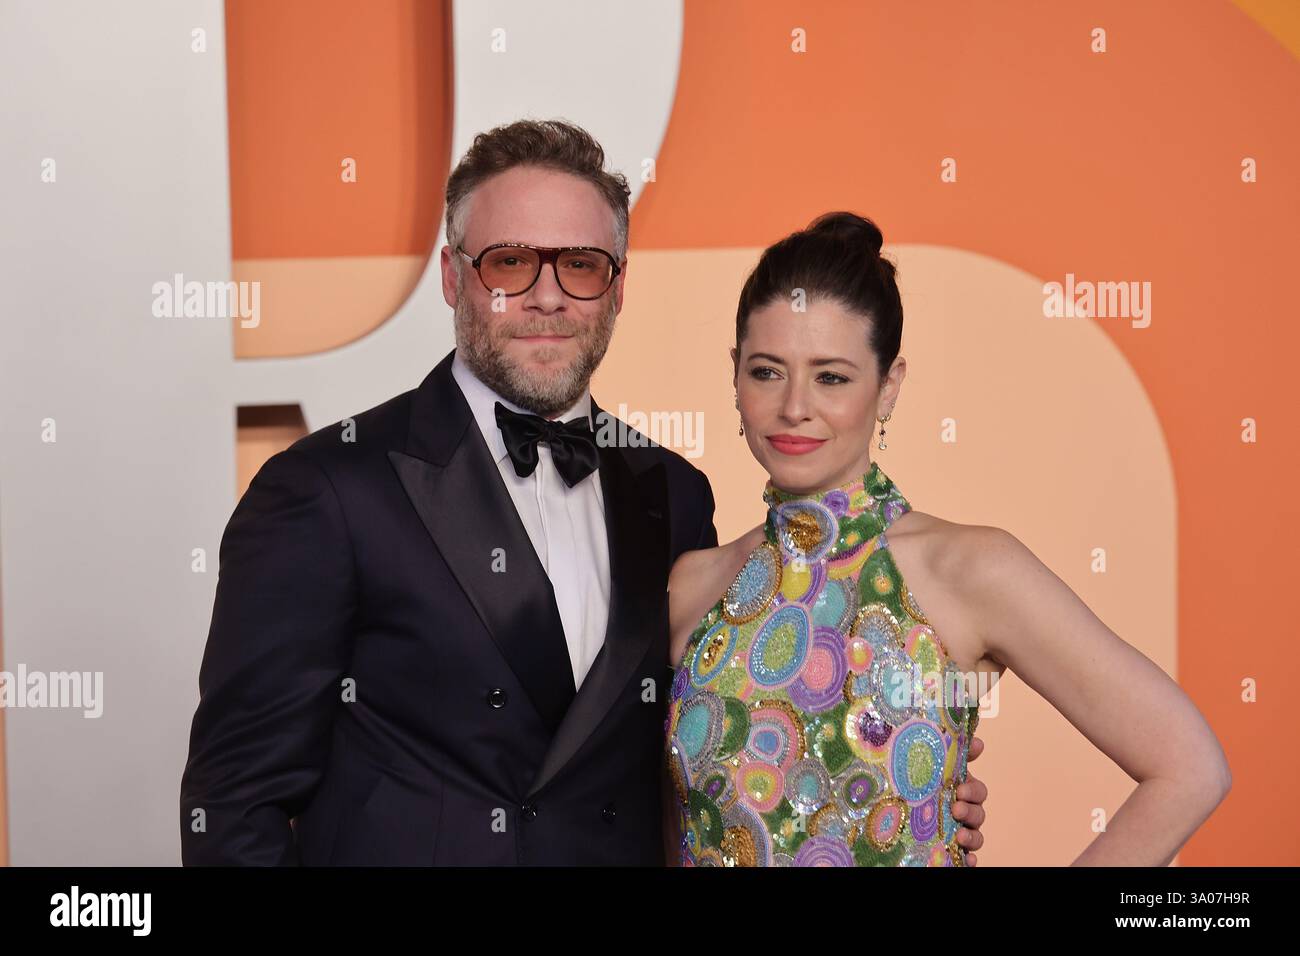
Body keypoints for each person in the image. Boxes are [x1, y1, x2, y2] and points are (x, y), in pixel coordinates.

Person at [179, 120, 989, 865]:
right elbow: (233, 805)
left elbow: (703, 751)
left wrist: (896, 786)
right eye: (509, 262)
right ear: (453, 279)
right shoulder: (325, 488)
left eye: (579, 265)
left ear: (619, 287)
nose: (547, 296)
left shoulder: (674, 494)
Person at [664, 211, 1230, 867]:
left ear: (889, 387)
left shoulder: (967, 569)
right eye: (767, 371)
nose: (795, 406)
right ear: (735, 376)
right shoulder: (692, 586)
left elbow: (1190, 768)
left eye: (832, 376)